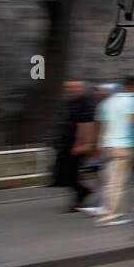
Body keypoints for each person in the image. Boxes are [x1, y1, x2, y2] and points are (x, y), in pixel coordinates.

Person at [94, 75, 134, 227]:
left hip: (108, 144)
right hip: (124, 145)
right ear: (133, 86)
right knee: (118, 182)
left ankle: (129, 212)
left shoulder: (108, 101)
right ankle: (111, 215)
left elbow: (100, 124)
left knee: (119, 180)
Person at [53, 81, 97, 213]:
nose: (70, 90)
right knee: (65, 174)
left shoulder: (84, 103)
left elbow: (85, 125)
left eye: (73, 87)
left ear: (80, 88)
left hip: (76, 145)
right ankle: (82, 193)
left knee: (69, 174)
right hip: (66, 143)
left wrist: (82, 144)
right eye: (68, 88)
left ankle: (82, 194)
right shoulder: (69, 102)